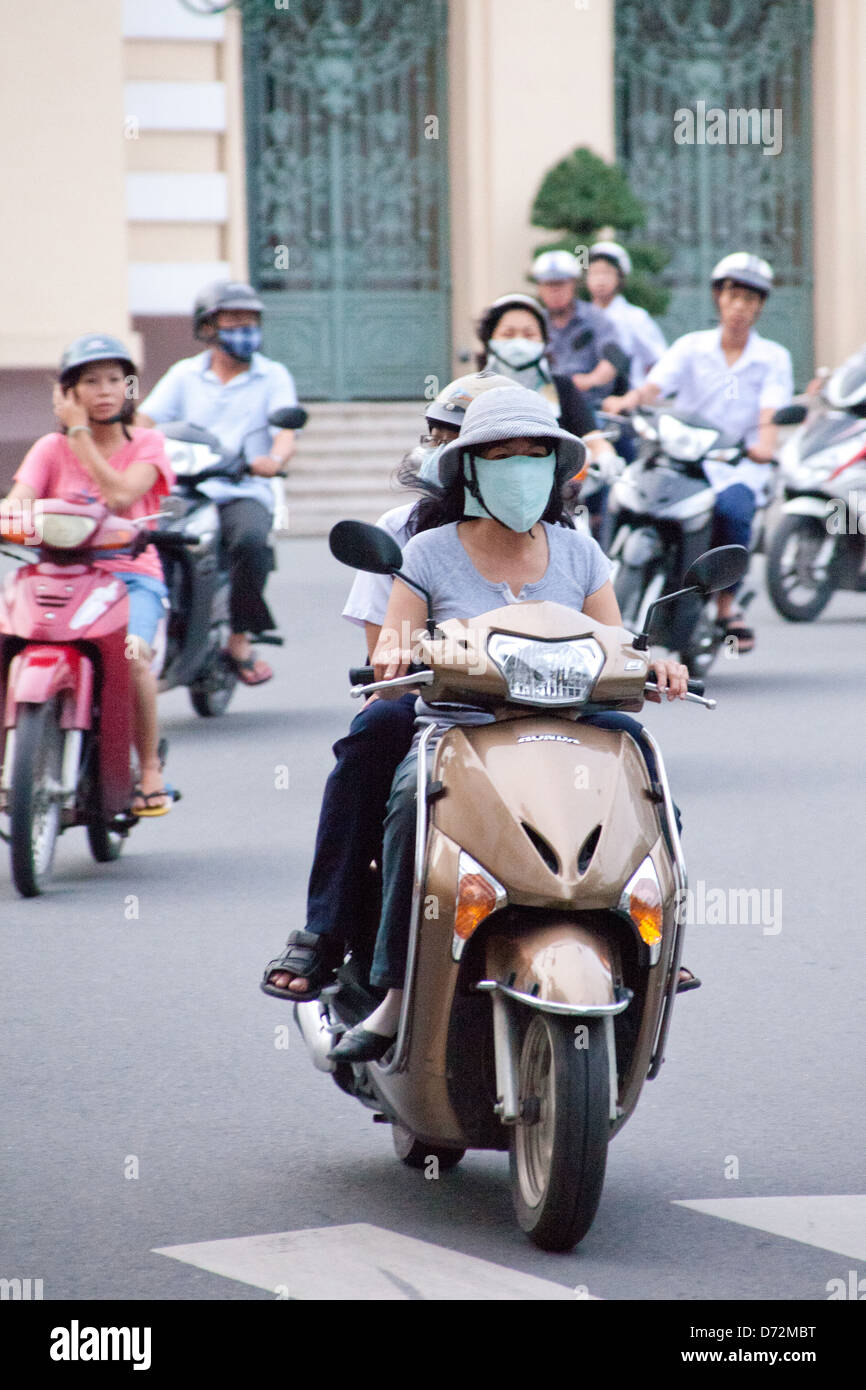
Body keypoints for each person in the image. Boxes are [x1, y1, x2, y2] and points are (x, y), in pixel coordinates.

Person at [327, 386, 693, 1064]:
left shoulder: (581, 553)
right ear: (469, 467)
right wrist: (398, 654)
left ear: (555, 469)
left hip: (571, 730)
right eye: (501, 455)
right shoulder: (428, 552)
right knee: (411, 803)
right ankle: (396, 989)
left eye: (534, 455)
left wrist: (656, 666)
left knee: (644, 772)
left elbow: (617, 645)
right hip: (459, 733)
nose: (519, 467)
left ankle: (652, 938)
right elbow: (390, 654)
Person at [260, 374, 513, 1002]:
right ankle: (326, 930)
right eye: (442, 435)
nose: (446, 449)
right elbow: (383, 658)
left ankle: (645, 924)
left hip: (547, 707)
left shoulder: (565, 538)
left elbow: (604, 634)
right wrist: (405, 666)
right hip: (434, 704)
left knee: (632, 751)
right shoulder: (404, 534)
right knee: (373, 731)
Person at [3, 335, 175, 815]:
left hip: (130, 579)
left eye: (114, 380)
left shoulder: (148, 443)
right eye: (90, 381)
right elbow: (17, 505)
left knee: (134, 657)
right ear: (68, 393)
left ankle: (151, 772)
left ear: (129, 388)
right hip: (54, 578)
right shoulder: (48, 448)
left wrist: (79, 434)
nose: (104, 390)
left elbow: (121, 496)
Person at [605, 253, 794, 653]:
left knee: (733, 513)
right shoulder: (691, 347)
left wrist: (764, 446)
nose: (740, 306)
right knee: (624, 491)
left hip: (735, 465)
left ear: (760, 306)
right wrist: (628, 401)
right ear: (718, 298)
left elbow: (770, 413)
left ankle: (725, 604)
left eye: (749, 298)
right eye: (733, 296)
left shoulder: (773, 357)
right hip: (681, 459)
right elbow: (655, 387)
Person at [137, 281, 298, 686]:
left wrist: (274, 460)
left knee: (250, 543)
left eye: (251, 322)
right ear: (208, 327)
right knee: (142, 541)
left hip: (242, 490)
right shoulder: (184, 375)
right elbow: (145, 421)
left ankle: (240, 639)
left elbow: (285, 430)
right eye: (234, 321)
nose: (245, 329)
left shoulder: (272, 375)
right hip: (185, 489)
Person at [477, 291, 624, 532]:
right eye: (508, 334)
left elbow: (593, 438)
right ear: (489, 339)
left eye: (529, 334)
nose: (518, 341)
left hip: (559, 509)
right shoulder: (472, 388)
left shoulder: (561, 387)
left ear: (544, 340)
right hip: (484, 512)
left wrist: (605, 455)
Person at [531, 250, 626, 409]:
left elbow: (613, 360)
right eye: (548, 284)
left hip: (589, 405)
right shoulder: (534, 321)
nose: (555, 291)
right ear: (539, 288)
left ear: (574, 284)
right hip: (542, 405)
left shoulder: (596, 318)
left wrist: (587, 381)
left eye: (561, 284)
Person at [587, 241, 667, 390]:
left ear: (620, 277)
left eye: (607, 273)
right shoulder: (581, 318)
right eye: (594, 273)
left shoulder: (636, 318)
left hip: (626, 402)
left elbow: (658, 361)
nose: (600, 280)